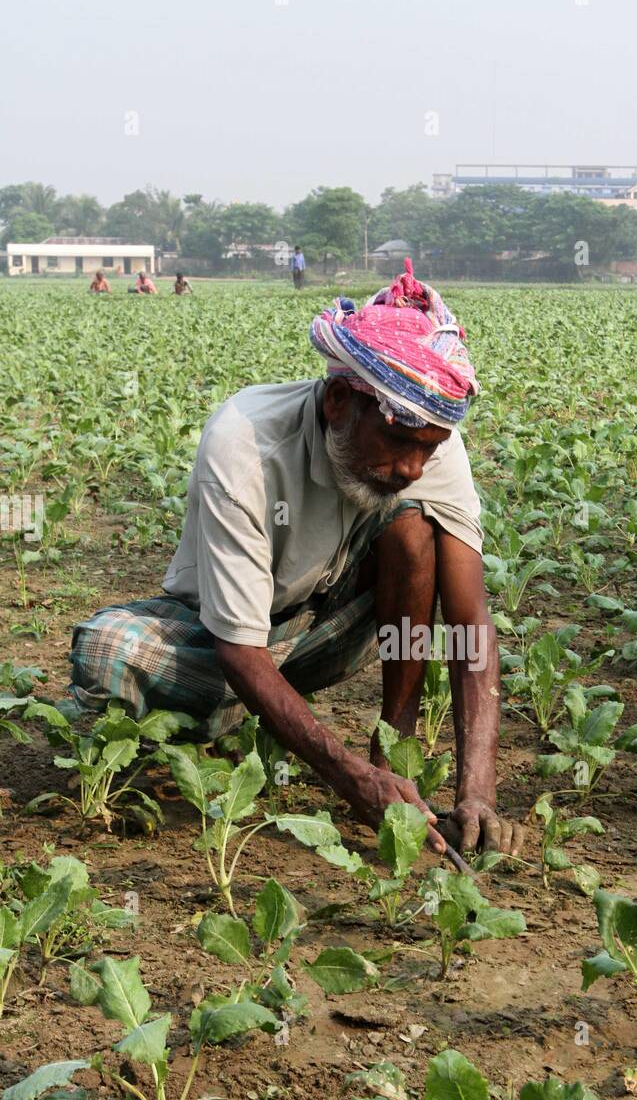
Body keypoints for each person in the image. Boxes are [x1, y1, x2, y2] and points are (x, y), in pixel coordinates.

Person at [67, 260, 523, 856]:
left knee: (413, 530)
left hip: (336, 632)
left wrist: (477, 792)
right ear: (338, 399)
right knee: (106, 650)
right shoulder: (246, 440)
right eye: (398, 443)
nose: (412, 467)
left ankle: (393, 747)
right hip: (228, 641)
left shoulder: (430, 444)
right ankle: (241, 715)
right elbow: (239, 648)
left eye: (427, 449)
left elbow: (469, 624)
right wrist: (347, 777)